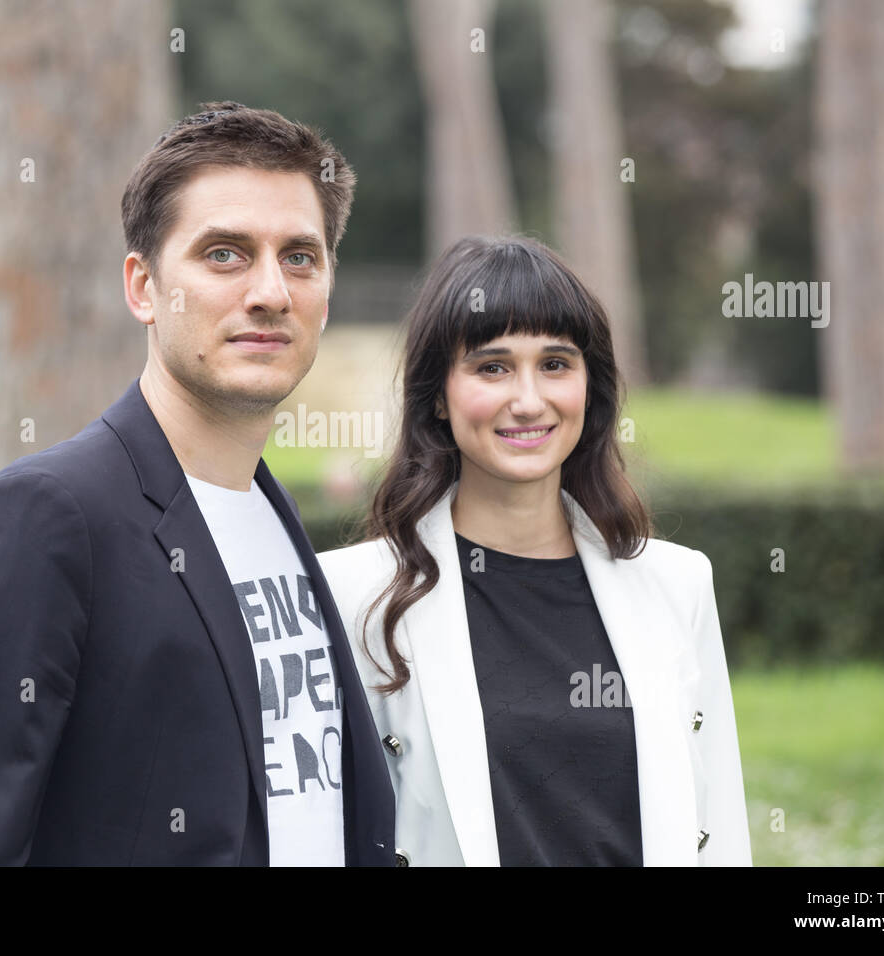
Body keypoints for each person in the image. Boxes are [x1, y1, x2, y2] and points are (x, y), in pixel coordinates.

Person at [0, 102, 395, 866]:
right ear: (143, 287)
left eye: (300, 257)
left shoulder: (277, 521)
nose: (271, 292)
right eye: (225, 254)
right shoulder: (46, 519)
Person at [317, 235, 751, 866]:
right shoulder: (353, 594)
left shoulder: (677, 583)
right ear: (437, 395)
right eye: (492, 366)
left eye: (555, 364)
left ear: (588, 387)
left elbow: (720, 825)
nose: (528, 400)